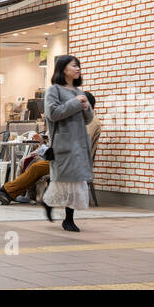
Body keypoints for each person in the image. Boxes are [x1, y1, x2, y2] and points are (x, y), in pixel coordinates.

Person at [42, 55, 93, 232]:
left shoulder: (80, 91)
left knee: (76, 181)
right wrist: (75, 103)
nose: (78, 68)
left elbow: (88, 120)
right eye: (74, 65)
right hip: (63, 143)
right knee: (63, 181)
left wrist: (86, 107)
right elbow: (53, 114)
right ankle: (49, 203)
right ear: (63, 68)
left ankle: (68, 219)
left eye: (78, 66)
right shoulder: (53, 90)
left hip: (79, 143)